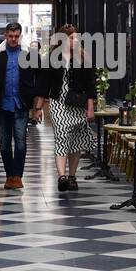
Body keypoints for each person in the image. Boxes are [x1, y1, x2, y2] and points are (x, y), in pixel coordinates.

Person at [0, 21, 41, 189]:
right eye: (11, 36)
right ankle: (9, 175)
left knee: (20, 141)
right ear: (5, 35)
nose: (14, 39)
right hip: (2, 105)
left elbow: (39, 81)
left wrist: (37, 107)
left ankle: (18, 176)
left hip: (21, 104)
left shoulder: (29, 55)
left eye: (16, 36)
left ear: (20, 36)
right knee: (5, 143)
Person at [39, 25, 96, 192]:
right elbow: (44, 84)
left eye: (77, 38)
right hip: (58, 102)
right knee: (62, 135)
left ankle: (72, 176)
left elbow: (90, 85)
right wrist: (39, 107)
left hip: (77, 103)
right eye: (72, 38)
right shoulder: (51, 58)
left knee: (76, 141)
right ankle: (61, 176)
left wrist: (90, 107)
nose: (75, 41)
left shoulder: (84, 58)